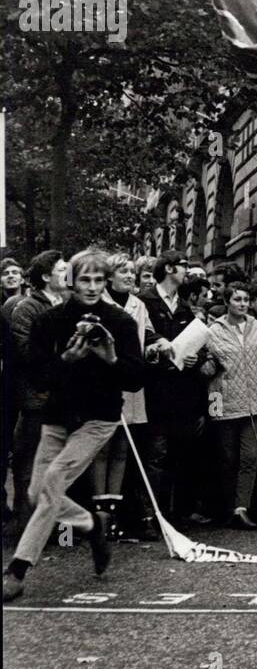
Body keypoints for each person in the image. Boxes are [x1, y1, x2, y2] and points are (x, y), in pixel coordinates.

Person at [3, 248, 145, 604]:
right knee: (37, 495)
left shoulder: (121, 321)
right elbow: (36, 376)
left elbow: (135, 379)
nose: (93, 287)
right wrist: (67, 358)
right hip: (58, 415)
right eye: (85, 279)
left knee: (52, 483)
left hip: (99, 418)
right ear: (71, 280)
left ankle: (17, 570)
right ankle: (91, 524)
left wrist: (111, 359)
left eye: (99, 280)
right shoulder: (49, 320)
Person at [139, 254, 207, 536]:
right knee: (155, 453)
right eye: (184, 267)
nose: (187, 273)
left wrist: (196, 358)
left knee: (179, 453)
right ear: (169, 269)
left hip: (181, 393)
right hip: (154, 391)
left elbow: (199, 345)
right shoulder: (144, 302)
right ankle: (148, 516)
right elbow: (140, 339)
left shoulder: (184, 306)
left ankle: (173, 513)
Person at [91, 252, 155, 537]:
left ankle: (114, 516)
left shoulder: (139, 305)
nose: (130, 276)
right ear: (109, 277)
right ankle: (99, 513)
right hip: (104, 383)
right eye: (123, 272)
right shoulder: (98, 304)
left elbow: (147, 336)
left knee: (121, 448)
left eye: (132, 271)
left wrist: (155, 348)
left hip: (131, 381)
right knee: (101, 448)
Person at [7, 252, 68, 529]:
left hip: (65, 397)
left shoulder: (69, 303)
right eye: (61, 270)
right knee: (29, 462)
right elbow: (25, 354)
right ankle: (26, 526)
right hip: (38, 398)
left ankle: (61, 531)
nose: (68, 274)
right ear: (46, 276)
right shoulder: (28, 308)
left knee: (62, 466)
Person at [202, 283, 257, 529]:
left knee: (250, 456)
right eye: (237, 299)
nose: (242, 303)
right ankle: (226, 508)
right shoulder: (212, 330)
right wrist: (205, 366)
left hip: (256, 401)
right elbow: (206, 366)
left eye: (245, 299)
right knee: (225, 457)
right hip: (220, 398)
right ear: (227, 301)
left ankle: (242, 508)